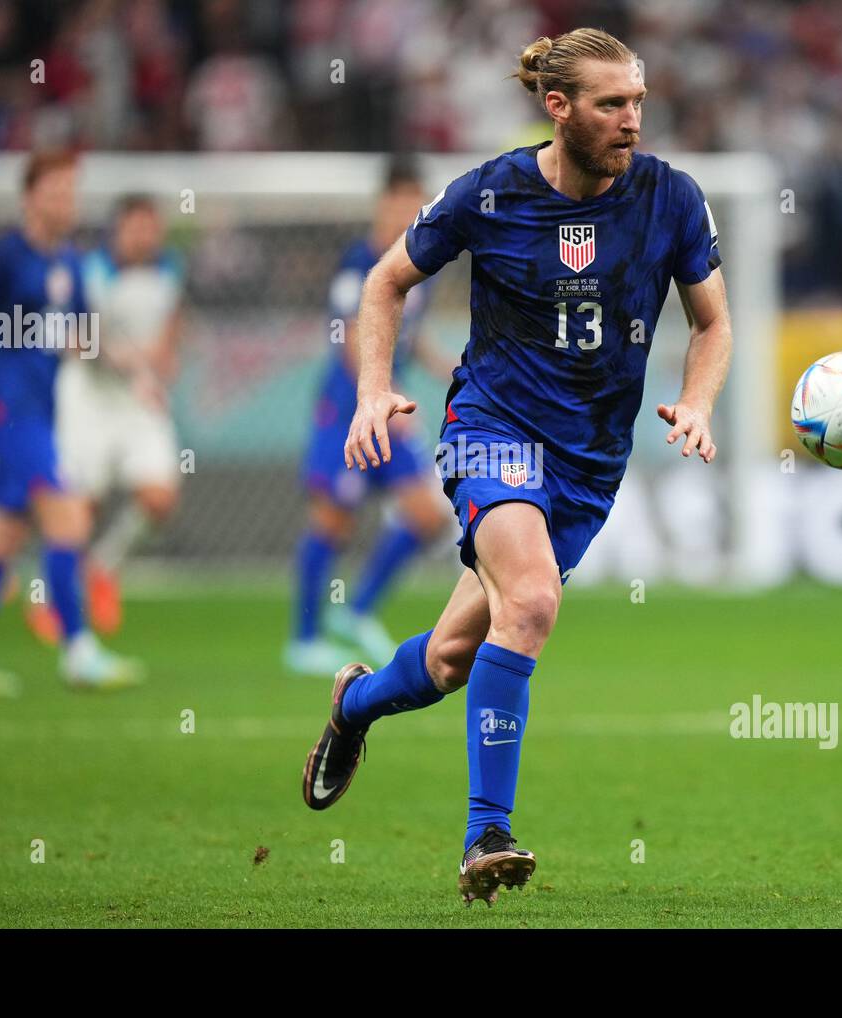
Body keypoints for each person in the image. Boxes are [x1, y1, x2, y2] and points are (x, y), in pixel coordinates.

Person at [300, 29, 733, 906]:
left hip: (589, 462)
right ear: (559, 107)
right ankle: (483, 835)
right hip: (492, 429)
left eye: (639, 102)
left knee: (458, 655)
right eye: (613, 105)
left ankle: (353, 706)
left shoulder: (671, 199)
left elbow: (713, 322)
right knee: (532, 601)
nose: (632, 121)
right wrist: (373, 389)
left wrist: (698, 402)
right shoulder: (489, 194)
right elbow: (385, 283)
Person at [0, 149, 143, 695]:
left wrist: (127, 366)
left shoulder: (68, 264)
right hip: (8, 412)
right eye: (55, 191)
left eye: (71, 192)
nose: (65, 201)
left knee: (0, 535)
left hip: (42, 415)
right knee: (68, 517)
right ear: (30, 197)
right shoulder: (0, 257)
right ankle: (78, 649)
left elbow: (75, 338)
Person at [286, 157, 452, 676]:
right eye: (401, 201)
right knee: (332, 522)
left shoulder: (415, 262)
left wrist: (453, 367)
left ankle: (356, 613)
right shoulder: (359, 261)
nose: (409, 211)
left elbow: (410, 333)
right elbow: (352, 337)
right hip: (352, 410)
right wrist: (379, 393)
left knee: (429, 517)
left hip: (391, 407)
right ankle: (305, 640)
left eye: (416, 202)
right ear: (384, 204)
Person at [30, 194, 185, 640]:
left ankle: (101, 569)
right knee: (80, 508)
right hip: (89, 398)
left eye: (151, 227)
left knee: (159, 498)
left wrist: (165, 355)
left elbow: (172, 317)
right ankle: (48, 599)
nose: (144, 236)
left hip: (137, 399)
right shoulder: (88, 271)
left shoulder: (168, 267)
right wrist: (133, 365)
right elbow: (80, 339)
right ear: (117, 229)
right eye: (135, 226)